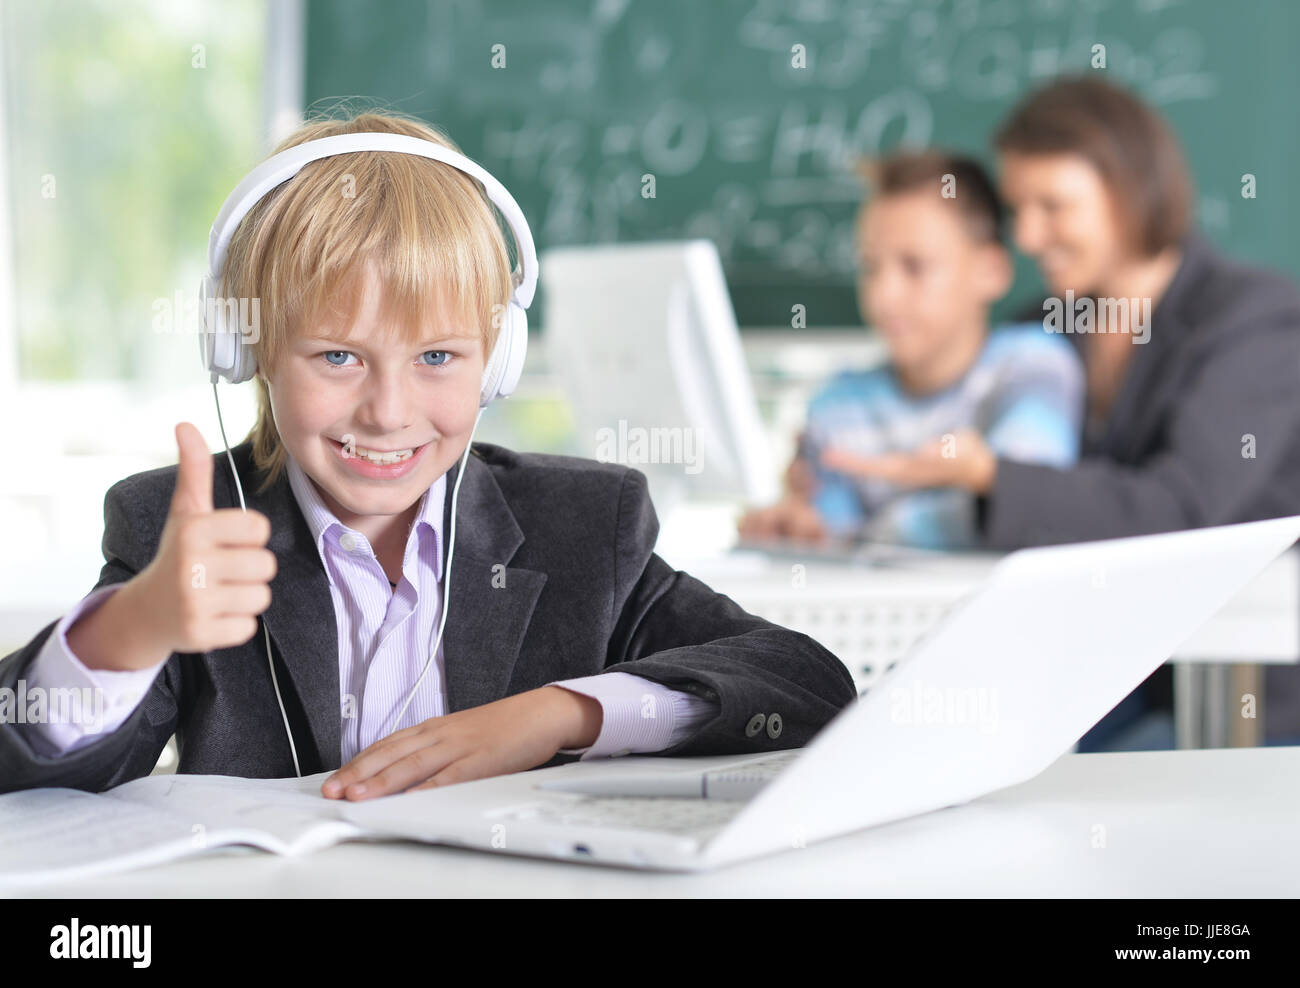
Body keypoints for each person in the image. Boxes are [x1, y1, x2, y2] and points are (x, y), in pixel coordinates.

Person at [0, 111, 857, 796]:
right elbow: (19, 752)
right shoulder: (183, 529)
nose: (388, 411)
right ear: (249, 348)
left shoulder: (584, 525)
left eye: (437, 356)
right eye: (338, 356)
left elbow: (803, 681)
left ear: (499, 358)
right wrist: (135, 625)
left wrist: (557, 715)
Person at [821, 77, 1300, 748]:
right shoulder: (1039, 332)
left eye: (1053, 206)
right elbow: (935, 472)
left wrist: (993, 476)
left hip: (1236, 694)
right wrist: (826, 502)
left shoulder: (1256, 320)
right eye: (1019, 208)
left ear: (1131, 189)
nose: (1027, 235)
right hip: (1092, 678)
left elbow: (1181, 509)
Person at [737, 150, 1083, 550]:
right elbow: (829, 530)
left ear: (990, 271)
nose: (883, 296)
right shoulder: (837, 406)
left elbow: (1026, 495)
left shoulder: (1034, 366)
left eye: (915, 266)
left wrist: (869, 535)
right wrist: (798, 529)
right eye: (870, 267)